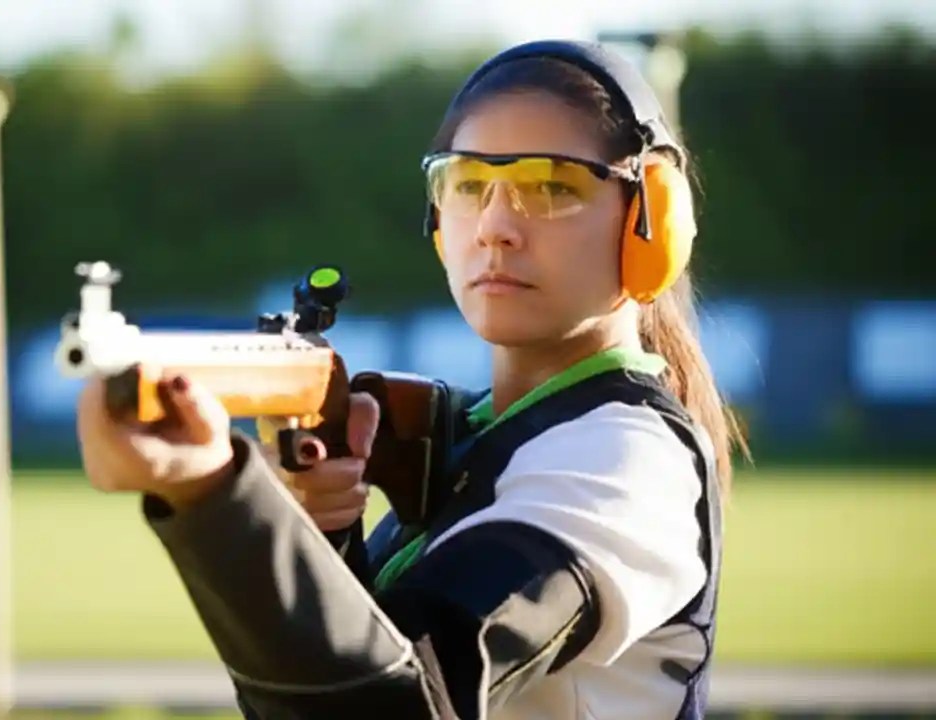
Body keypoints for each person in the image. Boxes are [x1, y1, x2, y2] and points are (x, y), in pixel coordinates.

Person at [75, 39, 748, 720]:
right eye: (468, 184)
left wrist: (215, 495)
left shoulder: (626, 455)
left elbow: (401, 702)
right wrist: (326, 531)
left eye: (552, 187)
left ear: (651, 223)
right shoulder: (487, 438)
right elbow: (336, 684)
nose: (494, 227)